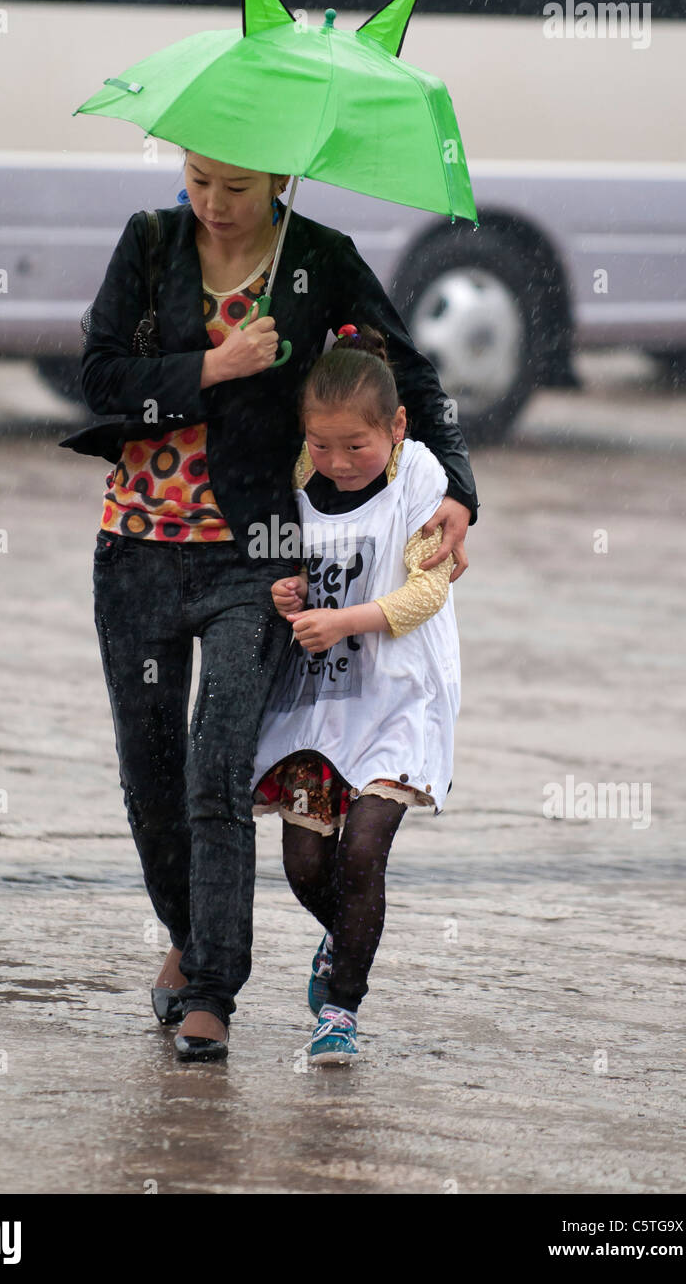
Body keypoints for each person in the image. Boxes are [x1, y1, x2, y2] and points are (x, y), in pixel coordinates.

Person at [59, 149, 479, 1062]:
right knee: (149, 773)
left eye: (237, 187)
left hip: (259, 555)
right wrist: (212, 365)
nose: (212, 202)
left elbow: (407, 374)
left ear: (279, 181)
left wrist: (460, 493)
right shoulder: (147, 244)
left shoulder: (319, 256)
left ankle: (214, 987)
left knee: (218, 767)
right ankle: (191, 933)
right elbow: (94, 377)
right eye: (199, 179)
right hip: (134, 549)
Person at [251, 323, 461, 1064]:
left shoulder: (420, 478)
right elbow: (285, 571)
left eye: (356, 446)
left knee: (362, 849)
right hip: (315, 700)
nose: (337, 462)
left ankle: (340, 1007)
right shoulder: (295, 484)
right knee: (306, 865)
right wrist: (283, 592)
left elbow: (428, 589)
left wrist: (344, 618)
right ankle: (345, 938)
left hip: (399, 699)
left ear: (396, 427)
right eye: (321, 444)